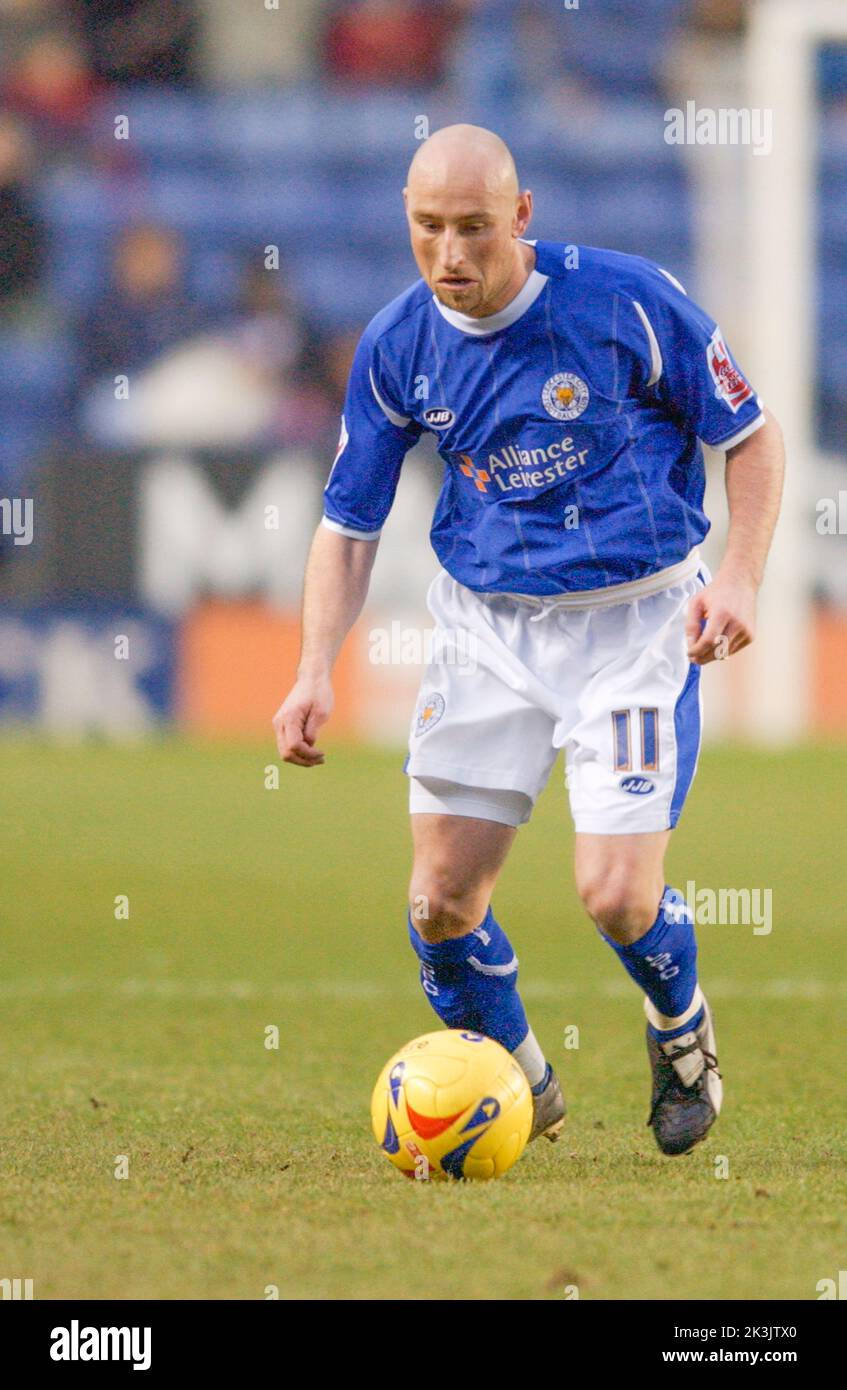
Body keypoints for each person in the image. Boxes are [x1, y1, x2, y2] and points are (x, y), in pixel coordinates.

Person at [272, 124, 785, 1160]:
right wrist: (312, 669)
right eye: (427, 228)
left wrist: (736, 577)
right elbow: (348, 527)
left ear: (522, 215)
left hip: (636, 624)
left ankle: (680, 1032)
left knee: (615, 895)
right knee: (439, 901)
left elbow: (751, 435)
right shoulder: (396, 345)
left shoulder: (625, 300)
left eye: (471, 227)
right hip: (483, 632)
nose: (449, 254)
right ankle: (520, 1085)